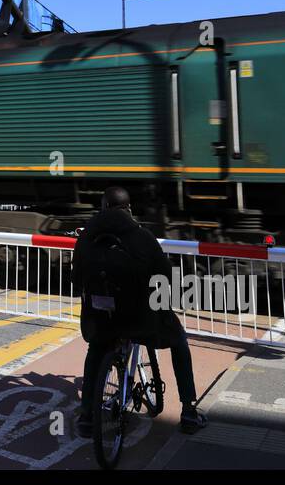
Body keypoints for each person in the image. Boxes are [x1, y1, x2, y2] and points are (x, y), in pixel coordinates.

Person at [71, 185, 206, 438]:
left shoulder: (86, 238)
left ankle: (87, 418)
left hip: (101, 321)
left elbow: (76, 280)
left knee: (96, 350)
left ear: (103, 207)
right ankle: (189, 412)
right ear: (129, 208)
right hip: (142, 321)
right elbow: (165, 277)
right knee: (179, 340)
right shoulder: (142, 236)